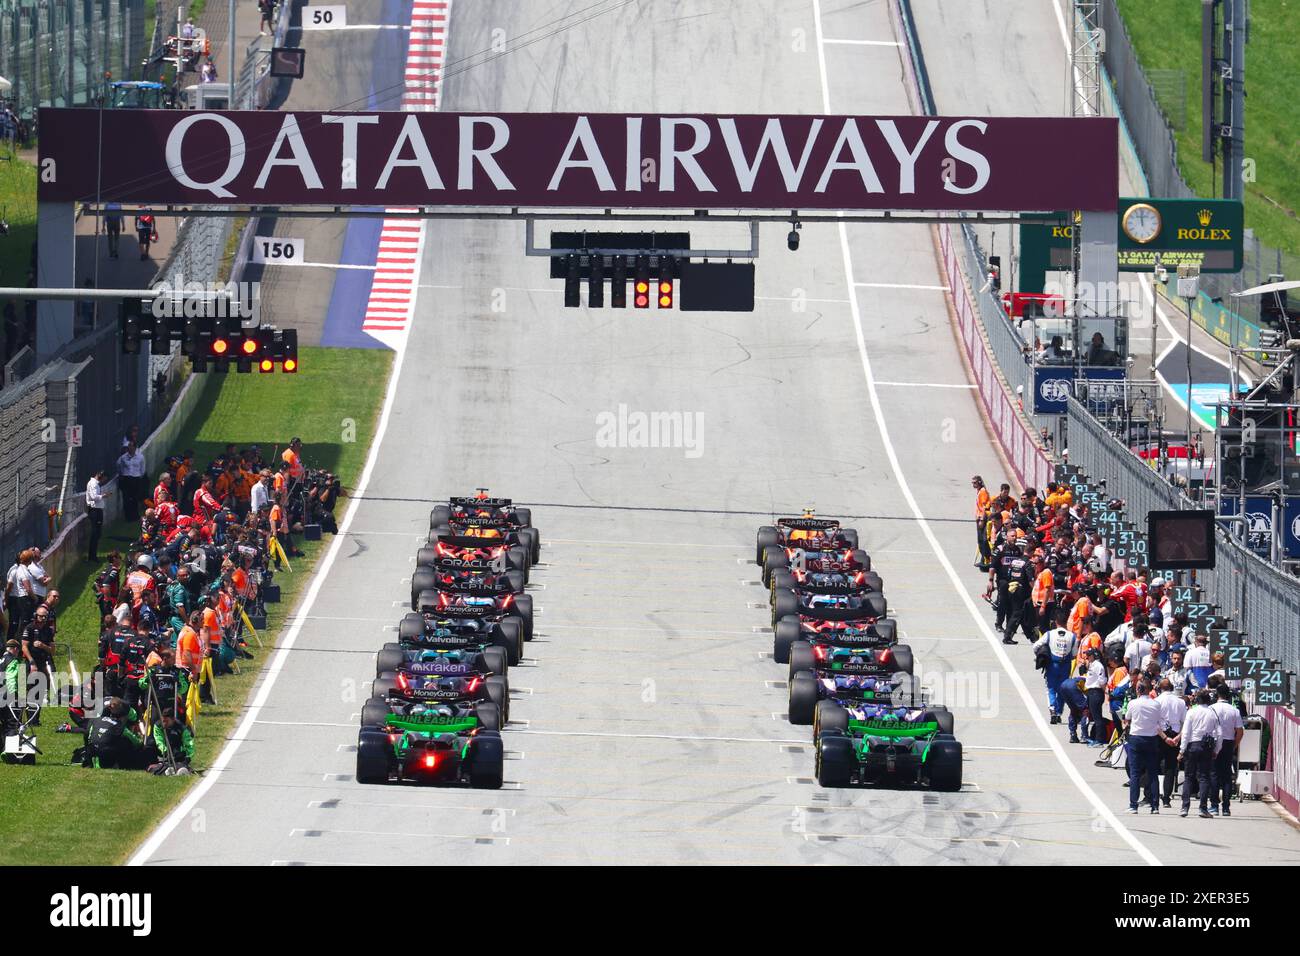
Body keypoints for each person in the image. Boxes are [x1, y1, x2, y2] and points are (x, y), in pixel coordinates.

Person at [1125, 680, 1165, 814]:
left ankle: (1133, 805)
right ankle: (1155, 806)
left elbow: (1127, 718)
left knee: (1135, 773)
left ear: (1139, 689)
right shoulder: (1156, 704)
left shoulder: (1133, 703)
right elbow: (1159, 720)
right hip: (1151, 738)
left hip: (1136, 738)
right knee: (1153, 773)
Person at [1179, 688, 1220, 818]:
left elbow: (1185, 733)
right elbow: (1219, 734)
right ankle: (1203, 808)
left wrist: (1182, 750)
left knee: (1188, 776)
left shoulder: (1191, 712)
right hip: (1206, 746)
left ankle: (1185, 807)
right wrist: (1216, 750)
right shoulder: (1212, 714)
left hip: (1192, 745)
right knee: (1204, 777)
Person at [1034, 611, 1077, 724]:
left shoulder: (1049, 634)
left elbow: (1036, 645)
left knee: (1051, 688)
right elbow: (1074, 654)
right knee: (1062, 689)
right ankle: (1058, 712)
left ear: (1056, 622)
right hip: (1066, 666)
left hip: (1052, 665)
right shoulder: (1072, 637)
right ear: (1066, 622)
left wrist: (1041, 655)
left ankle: (1052, 709)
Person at [1209, 685, 1244, 816]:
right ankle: (1226, 807)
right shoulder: (1234, 710)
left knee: (1214, 774)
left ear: (1217, 694)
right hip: (1228, 742)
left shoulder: (1211, 709)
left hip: (1214, 742)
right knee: (1227, 775)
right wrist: (1234, 745)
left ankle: (1213, 805)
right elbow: (1240, 731)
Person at [116, 442, 146, 522]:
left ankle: (135, 516)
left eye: (131, 446)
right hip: (126, 479)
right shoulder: (123, 458)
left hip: (136, 479)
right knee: (126, 498)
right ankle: (128, 517)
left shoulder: (140, 457)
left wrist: (138, 476)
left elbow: (142, 469)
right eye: (128, 446)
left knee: (134, 498)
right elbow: (119, 466)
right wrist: (122, 474)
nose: (129, 448)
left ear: (135, 447)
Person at [86, 469, 111, 562]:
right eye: (104, 479)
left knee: (97, 534)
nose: (104, 481)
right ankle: (92, 556)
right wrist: (103, 496)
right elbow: (93, 497)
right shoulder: (93, 484)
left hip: (97, 510)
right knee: (95, 534)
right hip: (94, 510)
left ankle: (93, 555)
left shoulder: (96, 484)